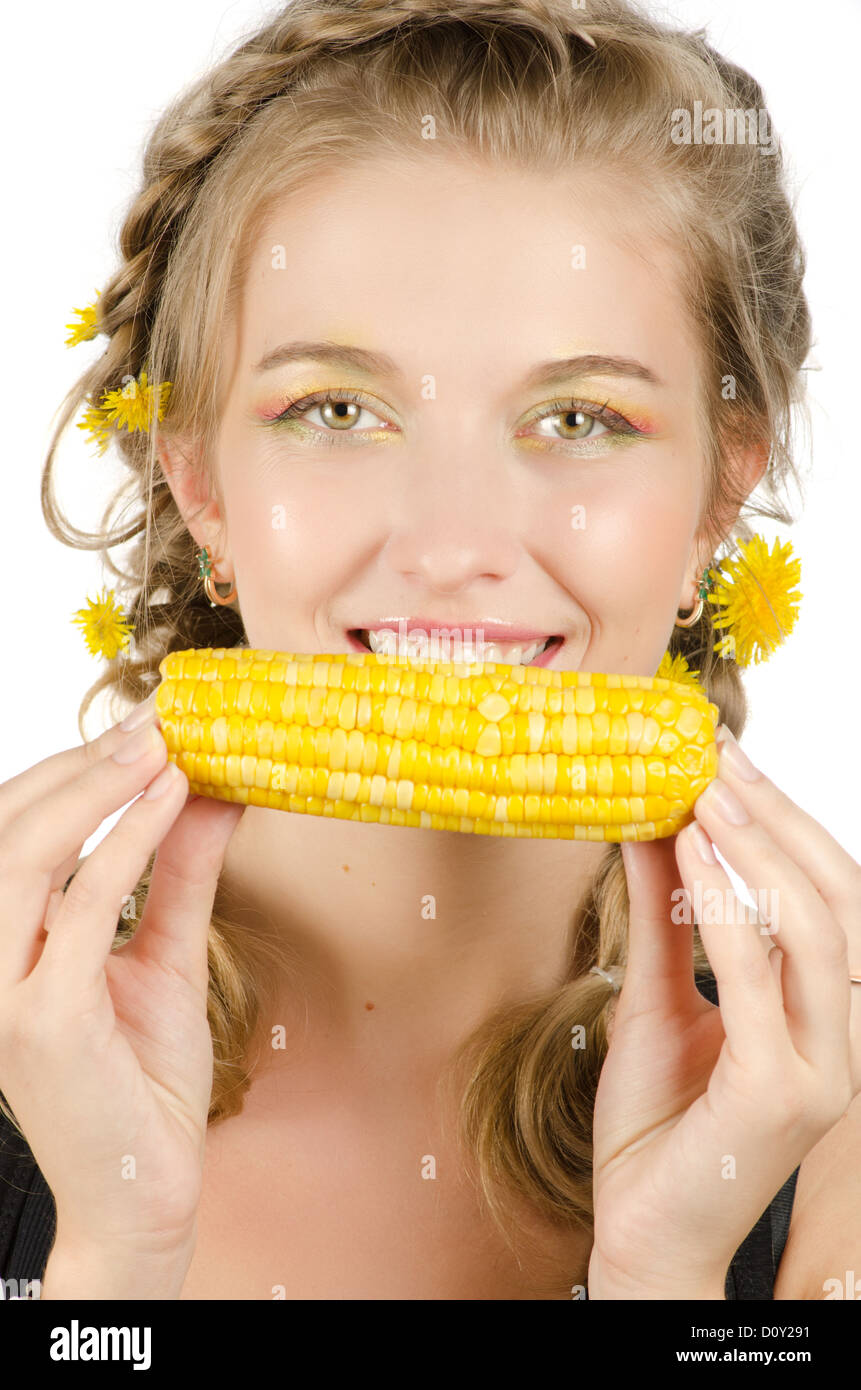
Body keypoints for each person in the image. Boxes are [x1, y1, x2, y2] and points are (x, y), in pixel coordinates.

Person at [1, 0, 858, 1301]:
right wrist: (110, 1268)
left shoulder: (833, 1139)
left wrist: (665, 1279)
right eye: (336, 408)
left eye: (578, 416)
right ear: (200, 484)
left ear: (716, 500)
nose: (453, 543)